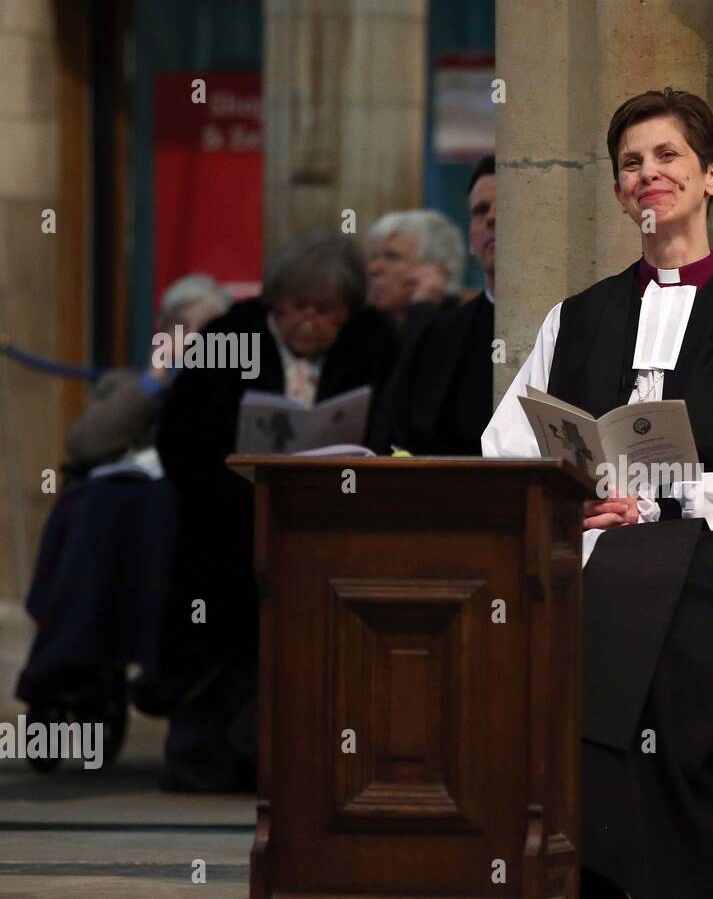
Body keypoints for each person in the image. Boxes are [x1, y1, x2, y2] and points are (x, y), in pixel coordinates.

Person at [481, 90, 713, 899]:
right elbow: (506, 441)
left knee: (647, 598)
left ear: (712, 177)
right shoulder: (576, 317)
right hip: (595, 539)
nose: (647, 175)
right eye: (631, 163)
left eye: (667, 157)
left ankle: (648, 881)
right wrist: (578, 502)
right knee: (525, 592)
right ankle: (525, 855)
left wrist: (669, 499)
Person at [154, 231, 399, 791]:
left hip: (337, 515)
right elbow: (181, 439)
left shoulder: (375, 341)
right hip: (229, 518)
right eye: (298, 308)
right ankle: (215, 743)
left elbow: (393, 428)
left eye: (327, 311)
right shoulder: (229, 335)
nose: (310, 321)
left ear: (347, 311)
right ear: (276, 303)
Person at [367, 157, 496, 454]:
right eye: (479, 211)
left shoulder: (567, 321)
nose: (491, 218)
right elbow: (397, 437)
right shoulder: (439, 335)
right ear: (470, 237)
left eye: (391, 257)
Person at [66, 274, 231, 471]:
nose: (192, 339)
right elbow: (82, 445)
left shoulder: (237, 390)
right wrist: (151, 384)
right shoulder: (121, 385)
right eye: (180, 327)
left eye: (206, 329)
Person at [364, 208, 467, 335]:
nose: (373, 269)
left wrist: (423, 308)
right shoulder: (362, 329)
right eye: (374, 256)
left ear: (435, 270)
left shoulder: (461, 333)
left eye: (392, 257)